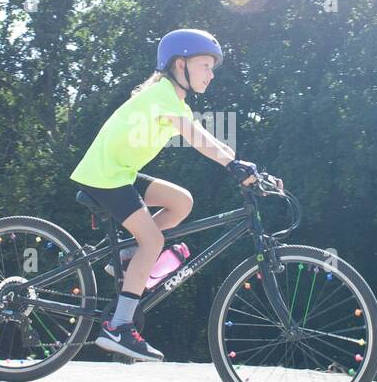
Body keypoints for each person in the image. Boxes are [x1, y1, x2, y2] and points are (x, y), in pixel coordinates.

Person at [69, 28, 282, 362]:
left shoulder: (172, 99)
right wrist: (233, 164)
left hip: (119, 172)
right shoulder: (162, 95)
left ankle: (125, 258)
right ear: (179, 64)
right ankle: (118, 326)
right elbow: (198, 138)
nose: (211, 74)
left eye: (213, 67)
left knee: (181, 201)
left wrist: (247, 167)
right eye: (205, 65)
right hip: (105, 175)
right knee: (153, 242)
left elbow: (206, 137)